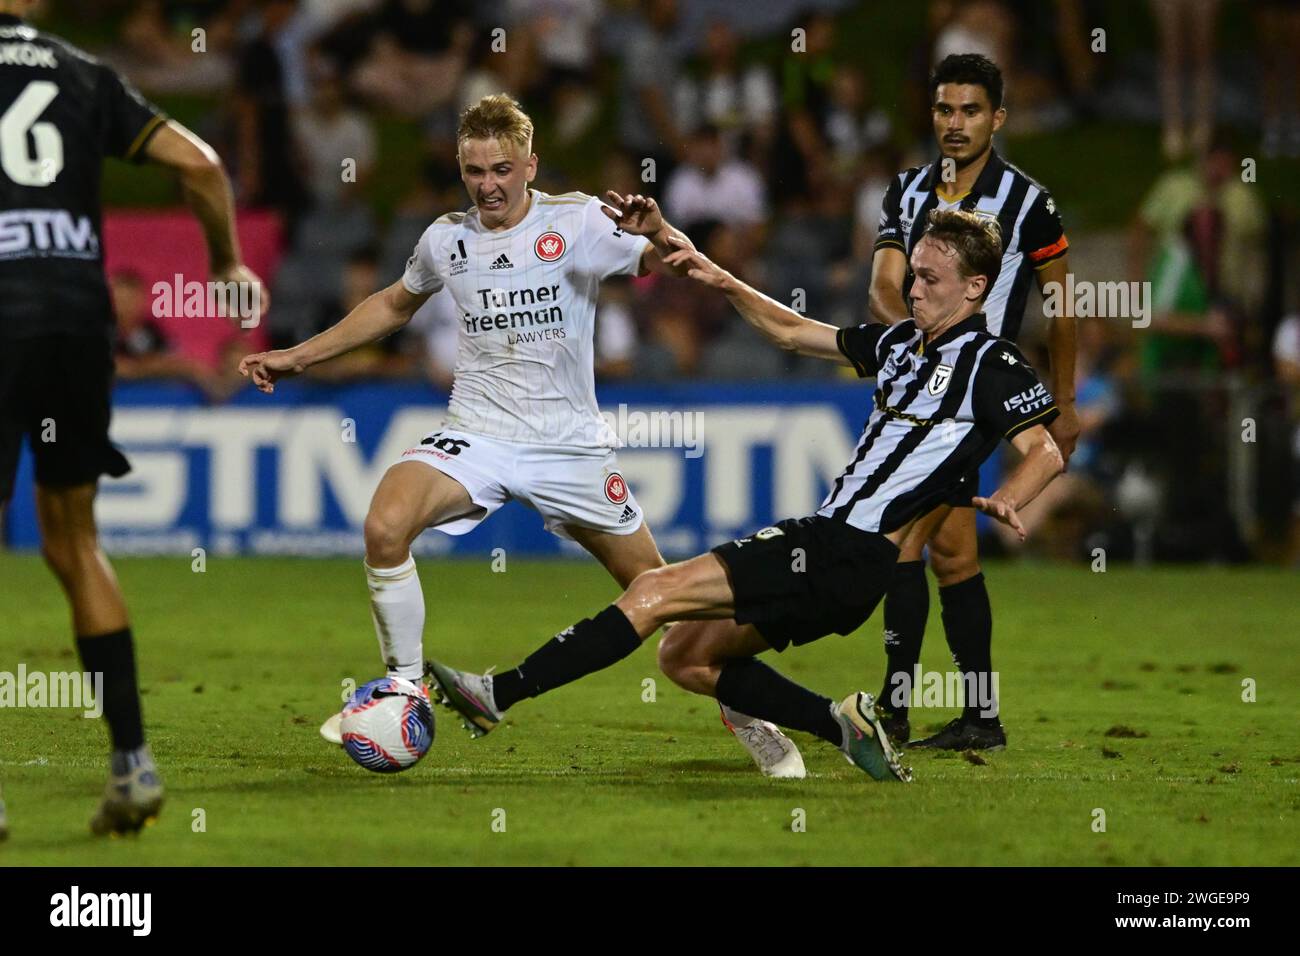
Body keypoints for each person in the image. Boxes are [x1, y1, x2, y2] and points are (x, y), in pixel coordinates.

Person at [239, 94, 812, 777]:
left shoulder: (577, 221)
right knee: (385, 525)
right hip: (477, 434)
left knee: (668, 604)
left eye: (501, 169)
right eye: (473, 169)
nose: (487, 184)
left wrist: (657, 231)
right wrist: (298, 355)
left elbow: (671, 264)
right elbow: (394, 304)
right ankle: (404, 684)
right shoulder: (445, 239)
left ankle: (746, 708)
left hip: (569, 446)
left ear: (530, 165)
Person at [427, 209, 1064, 782]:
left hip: (845, 548)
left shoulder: (990, 362)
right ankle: (841, 724)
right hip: (837, 559)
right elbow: (791, 332)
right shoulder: (899, 345)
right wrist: (718, 276)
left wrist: (1012, 493)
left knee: (652, 593)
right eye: (913, 274)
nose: (913, 287)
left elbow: (1046, 448)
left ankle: (497, 695)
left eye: (929, 278)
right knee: (684, 656)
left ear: (975, 288)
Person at [0, 0, 264, 836]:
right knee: (75, 541)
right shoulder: (83, 73)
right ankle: (133, 765)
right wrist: (224, 263)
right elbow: (202, 164)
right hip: (77, 321)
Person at [865, 53, 1078, 752]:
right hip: (920, 390)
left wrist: (1063, 400)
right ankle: (977, 715)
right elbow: (881, 289)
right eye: (944, 110)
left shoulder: (1029, 202)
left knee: (902, 542)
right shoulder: (907, 190)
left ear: (998, 118)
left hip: (977, 395)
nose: (955, 124)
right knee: (951, 552)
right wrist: (915, 354)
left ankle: (896, 709)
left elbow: (1064, 303)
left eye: (970, 111)